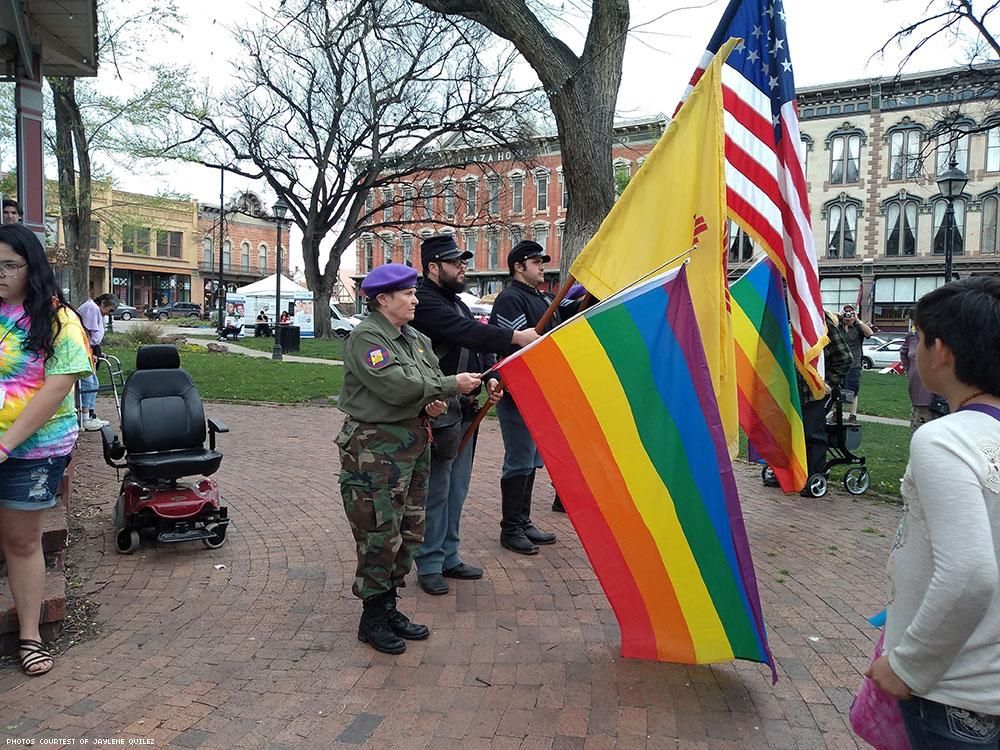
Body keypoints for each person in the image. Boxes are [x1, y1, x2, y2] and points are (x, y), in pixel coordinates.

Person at [867, 277, 1000, 747]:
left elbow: (969, 574)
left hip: (951, 690)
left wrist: (907, 666)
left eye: (918, 339)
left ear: (940, 351)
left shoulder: (945, 439)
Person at [336, 263, 483, 654]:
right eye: (408, 294)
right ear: (383, 299)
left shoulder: (413, 337)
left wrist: (436, 402)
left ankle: (389, 607)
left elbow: (424, 382)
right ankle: (372, 617)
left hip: (413, 442)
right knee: (379, 531)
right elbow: (397, 386)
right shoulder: (367, 337)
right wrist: (450, 385)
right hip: (375, 448)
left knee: (410, 529)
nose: (416, 299)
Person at [409, 234, 540, 595]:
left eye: (463, 261)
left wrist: (493, 376)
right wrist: (515, 338)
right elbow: (463, 332)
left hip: (464, 410)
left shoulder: (458, 303)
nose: (462, 266)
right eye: (455, 262)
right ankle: (430, 561)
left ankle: (449, 555)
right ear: (434, 268)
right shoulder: (425, 303)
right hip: (438, 411)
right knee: (437, 490)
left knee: (457, 488)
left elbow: (476, 346)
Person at [0, 223, 95, 676]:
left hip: (32, 451)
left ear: (30, 267)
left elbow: (57, 387)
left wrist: (5, 444)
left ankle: (30, 634)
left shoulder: (58, 319)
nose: (0, 274)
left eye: (9, 265)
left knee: (21, 541)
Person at [488, 240, 577, 554]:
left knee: (529, 459)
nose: (542, 266)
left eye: (542, 261)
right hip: (516, 391)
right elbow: (514, 347)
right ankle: (510, 527)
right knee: (519, 459)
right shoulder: (510, 299)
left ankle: (523, 522)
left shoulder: (540, 297)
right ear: (519, 266)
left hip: (538, 392)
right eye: (536, 261)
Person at [797, 311, 852, 496]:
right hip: (788, 392)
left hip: (814, 393)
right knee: (790, 434)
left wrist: (829, 382)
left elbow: (845, 357)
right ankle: (792, 474)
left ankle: (815, 476)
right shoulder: (780, 314)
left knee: (812, 435)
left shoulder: (819, 319)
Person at [76, 293, 119, 431]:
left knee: (93, 383)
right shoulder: (92, 308)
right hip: (83, 348)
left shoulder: (95, 310)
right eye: (110, 310)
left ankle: (90, 414)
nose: (109, 314)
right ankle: (84, 417)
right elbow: (86, 333)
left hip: (89, 348)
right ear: (103, 303)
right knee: (88, 383)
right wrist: (89, 353)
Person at [899, 326, 947, 434]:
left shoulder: (943, 335)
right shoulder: (912, 337)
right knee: (919, 431)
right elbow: (904, 353)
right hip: (919, 391)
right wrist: (911, 371)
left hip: (942, 394)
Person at [837, 304, 873, 422]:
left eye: (850, 313)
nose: (848, 316)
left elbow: (870, 333)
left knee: (854, 389)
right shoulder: (838, 326)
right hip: (839, 364)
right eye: (846, 313)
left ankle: (853, 415)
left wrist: (857, 320)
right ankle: (837, 414)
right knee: (837, 389)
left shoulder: (858, 328)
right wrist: (839, 318)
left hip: (854, 364)